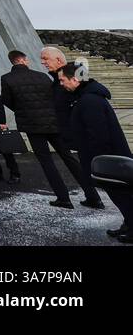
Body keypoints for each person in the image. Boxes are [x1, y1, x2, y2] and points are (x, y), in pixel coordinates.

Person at [57, 62, 133, 243]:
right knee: (121, 196)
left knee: (122, 196)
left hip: (108, 160)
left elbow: (99, 134)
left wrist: (99, 163)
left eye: (62, 80)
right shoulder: (86, 96)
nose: (61, 83)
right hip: (109, 158)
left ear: (75, 79)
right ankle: (129, 225)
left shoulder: (89, 100)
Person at [0, 50, 81, 208]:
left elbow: (7, 100)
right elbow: (52, 96)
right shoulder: (42, 76)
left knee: (46, 162)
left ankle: (63, 198)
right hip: (52, 121)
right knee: (68, 157)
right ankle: (93, 195)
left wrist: (22, 109)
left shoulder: (7, 79)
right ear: (24, 60)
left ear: (12, 61)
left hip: (32, 125)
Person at [42, 45, 107, 209]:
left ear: (58, 59)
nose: (43, 62)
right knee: (82, 165)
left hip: (80, 131)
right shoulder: (57, 79)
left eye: (45, 59)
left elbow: (85, 94)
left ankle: (97, 198)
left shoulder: (73, 74)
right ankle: (93, 197)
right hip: (69, 129)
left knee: (92, 166)